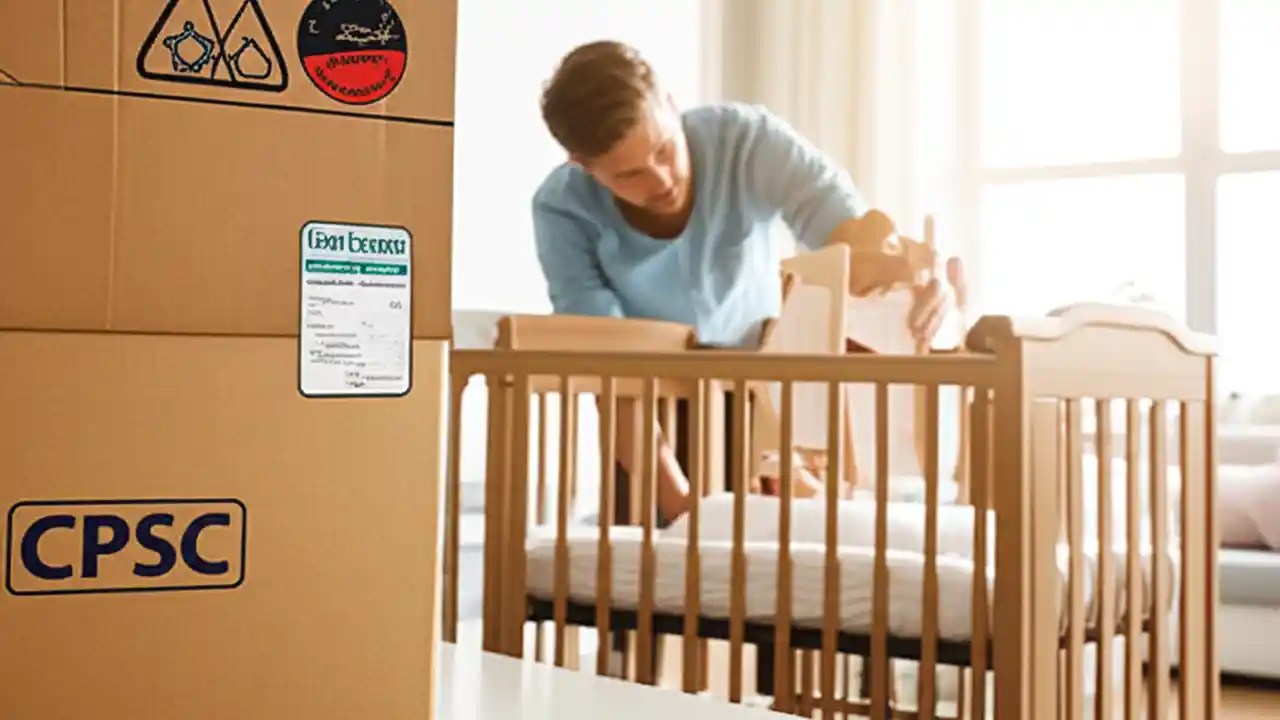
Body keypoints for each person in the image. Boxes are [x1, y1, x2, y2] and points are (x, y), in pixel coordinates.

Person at [531, 40, 962, 525]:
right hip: (645, 406)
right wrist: (685, 516)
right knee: (651, 560)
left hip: (759, 388)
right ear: (583, 166)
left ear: (671, 105)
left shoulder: (747, 140)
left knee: (779, 543)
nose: (661, 179)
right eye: (630, 174)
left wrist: (913, 274)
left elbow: (849, 237)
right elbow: (605, 361)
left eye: (664, 149)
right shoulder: (561, 209)